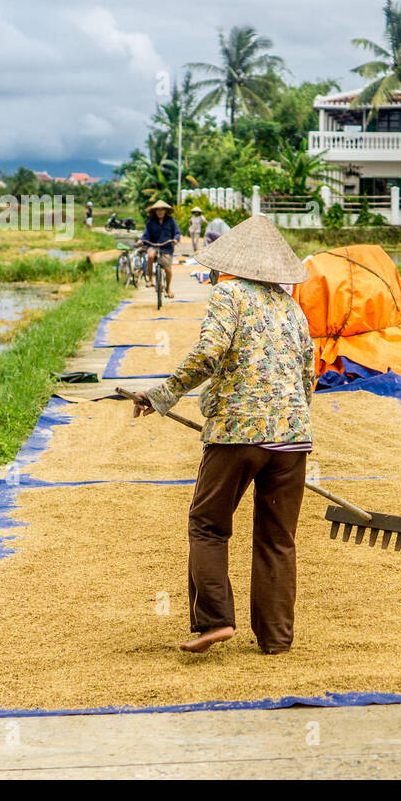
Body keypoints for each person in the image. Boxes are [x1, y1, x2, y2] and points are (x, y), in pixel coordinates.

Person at [131, 215, 313, 655]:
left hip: (237, 434)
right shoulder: (292, 307)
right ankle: (276, 638)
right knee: (277, 538)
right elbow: (308, 374)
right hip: (292, 439)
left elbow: (209, 353)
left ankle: (214, 620)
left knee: (208, 525)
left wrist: (162, 394)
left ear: (232, 262)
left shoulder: (228, 294)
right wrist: (286, 422)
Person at [140, 199, 180, 299]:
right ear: (155, 211)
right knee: (150, 256)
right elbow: (145, 235)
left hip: (166, 247)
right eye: (158, 210)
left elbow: (177, 233)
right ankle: (150, 280)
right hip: (153, 245)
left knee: (168, 269)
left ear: (166, 211)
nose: (160, 212)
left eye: (162, 210)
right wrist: (142, 240)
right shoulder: (150, 222)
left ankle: (168, 288)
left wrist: (175, 239)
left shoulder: (171, 221)